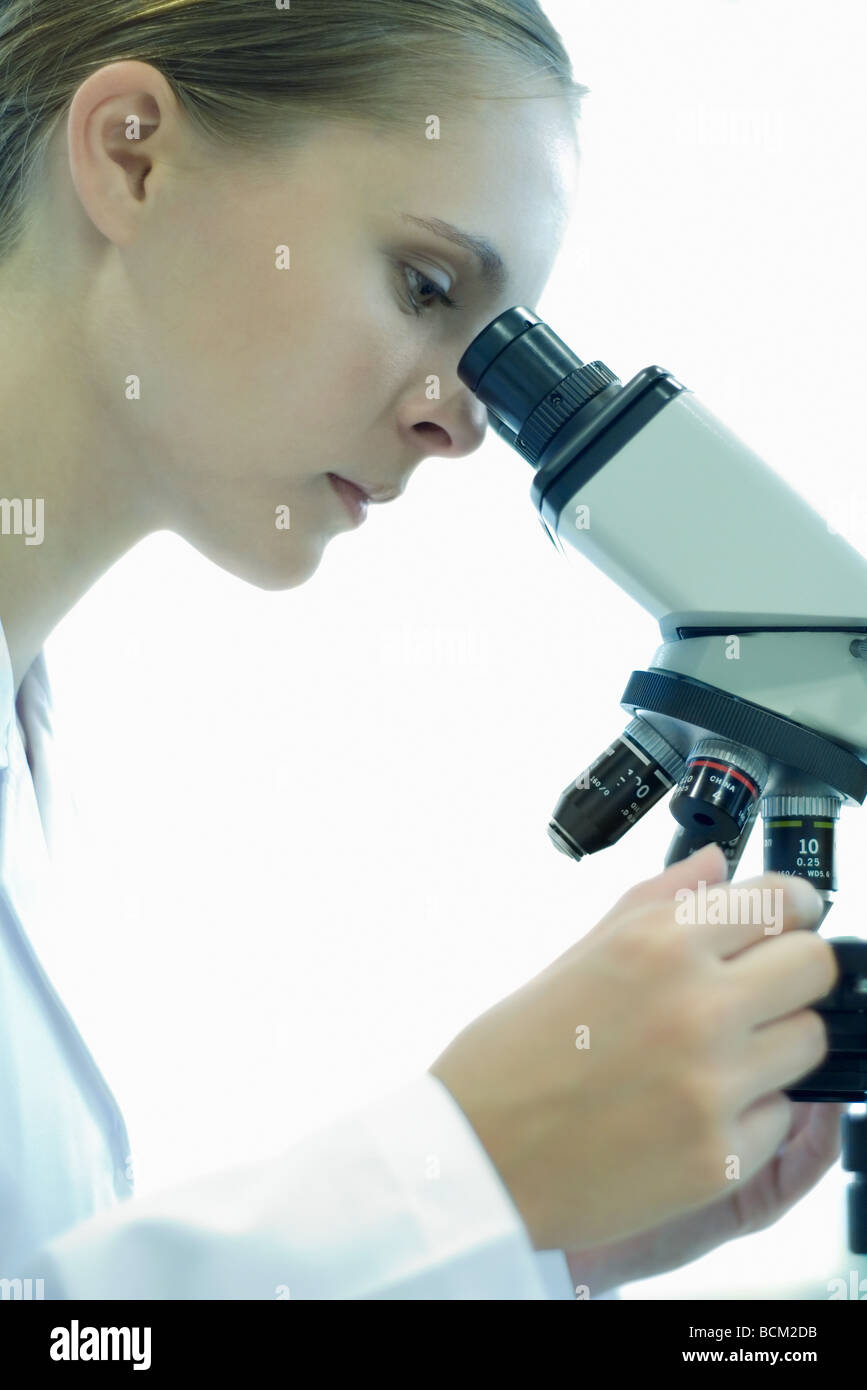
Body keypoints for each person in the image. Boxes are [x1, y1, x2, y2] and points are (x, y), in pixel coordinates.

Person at [0, 0, 843, 1300]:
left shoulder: (32, 741)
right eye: (428, 286)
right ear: (132, 155)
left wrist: (536, 1240)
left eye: (495, 360)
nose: (459, 425)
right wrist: (469, 1168)